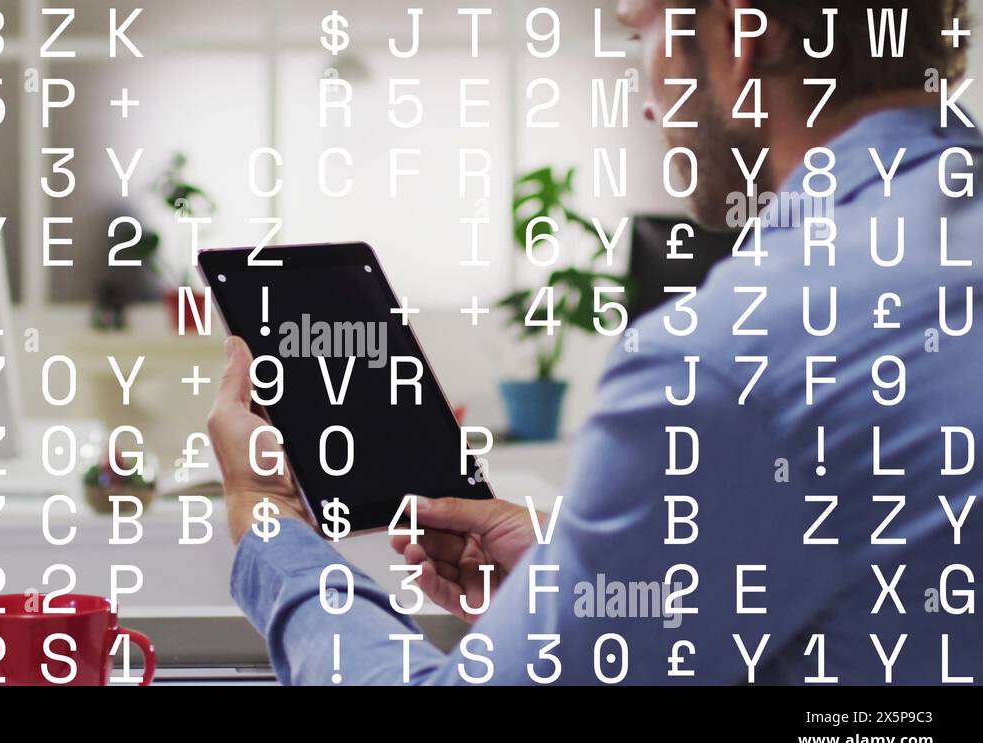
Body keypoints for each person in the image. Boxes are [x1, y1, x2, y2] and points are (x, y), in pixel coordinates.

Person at [206, 0, 983, 684]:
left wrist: (271, 529)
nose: (646, 96)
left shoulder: (724, 363)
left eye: (642, 35)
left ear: (739, 37)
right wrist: (588, 577)